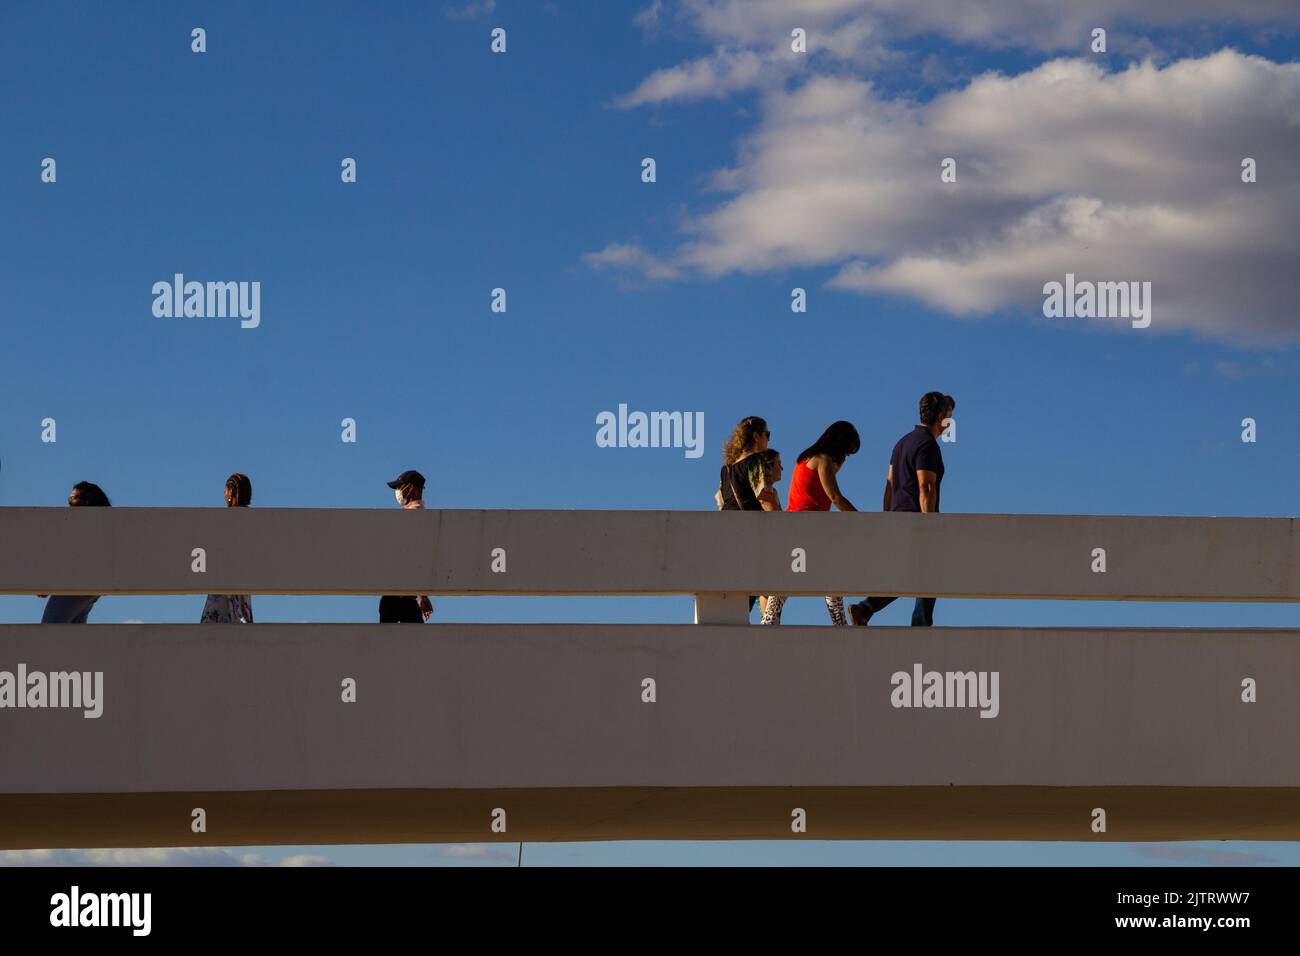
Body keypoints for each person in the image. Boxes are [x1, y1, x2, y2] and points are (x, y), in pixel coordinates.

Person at [850, 392, 956, 628]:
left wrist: (888, 520)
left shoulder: (901, 443)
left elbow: (888, 485)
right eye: (950, 418)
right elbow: (926, 486)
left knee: (907, 575)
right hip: (917, 522)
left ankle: (865, 608)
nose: (951, 424)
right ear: (940, 417)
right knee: (929, 575)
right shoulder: (927, 444)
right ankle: (920, 628)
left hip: (898, 519)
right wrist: (929, 525)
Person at [761, 421, 860, 626]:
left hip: (795, 526)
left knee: (788, 579)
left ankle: (769, 621)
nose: (846, 457)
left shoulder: (805, 459)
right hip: (809, 529)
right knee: (831, 579)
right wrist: (861, 520)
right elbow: (835, 497)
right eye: (847, 452)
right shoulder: (822, 460)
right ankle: (840, 625)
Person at [717, 418, 782, 616]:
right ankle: (768, 628)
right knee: (765, 581)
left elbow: (721, 501)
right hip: (750, 532)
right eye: (767, 435)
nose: (768, 440)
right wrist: (784, 527)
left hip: (728, 531)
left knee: (737, 593)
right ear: (756, 436)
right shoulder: (756, 461)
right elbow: (764, 496)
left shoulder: (726, 468)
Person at [40, 481, 111, 624]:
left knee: (49, 631)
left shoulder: (83, 527)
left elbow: (72, 560)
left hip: (77, 585)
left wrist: (47, 583)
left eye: (73, 498)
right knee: (73, 636)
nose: (69, 503)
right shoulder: (101, 527)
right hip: (90, 587)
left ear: (87, 501)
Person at [380, 469, 432, 623]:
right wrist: (423, 595)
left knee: (385, 643)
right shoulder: (426, 518)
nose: (398, 492)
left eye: (399, 487)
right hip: (409, 598)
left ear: (411, 488)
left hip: (393, 597)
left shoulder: (406, 518)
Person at [201, 473, 254, 624]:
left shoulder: (224, 522)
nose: (224, 493)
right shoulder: (254, 522)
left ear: (231, 492)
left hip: (224, 584)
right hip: (243, 587)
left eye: (225, 490)